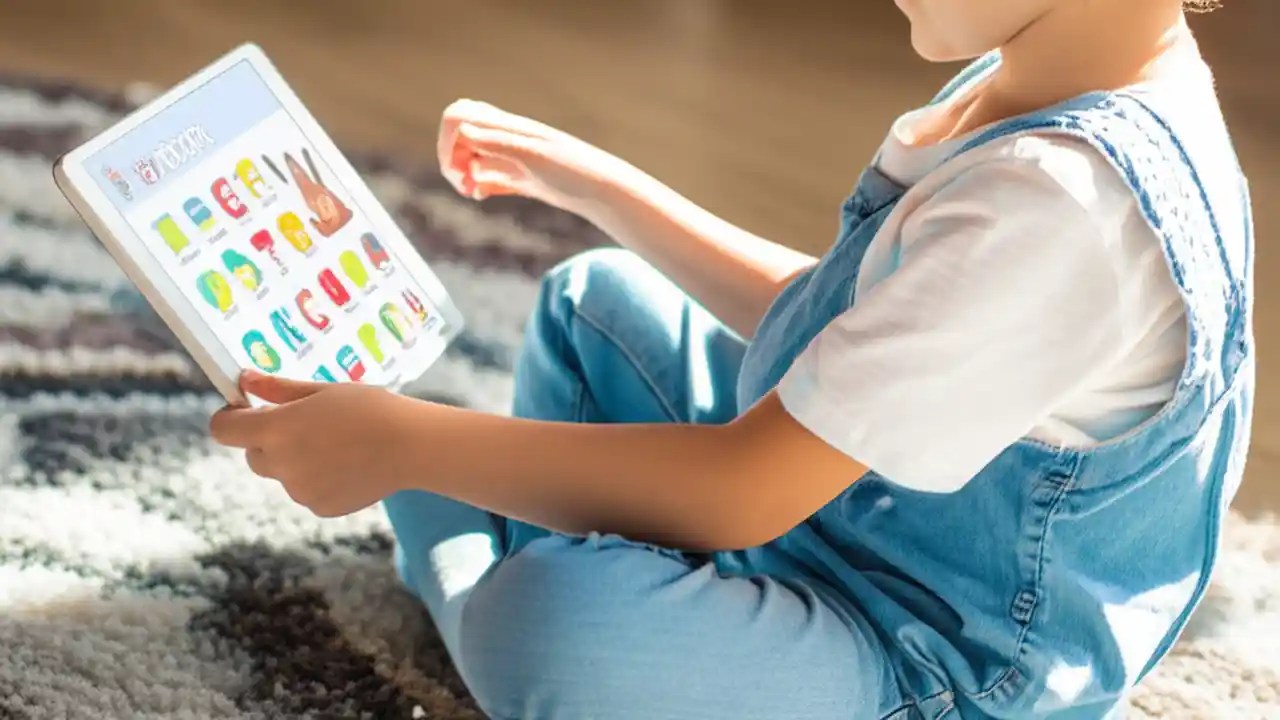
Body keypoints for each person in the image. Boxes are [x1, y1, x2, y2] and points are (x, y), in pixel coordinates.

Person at [209, 0, 1253, 716]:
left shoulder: (1058, 206)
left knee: (549, 622)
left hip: (927, 662)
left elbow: (739, 495)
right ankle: (561, 551)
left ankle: (463, 561)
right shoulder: (1051, 79)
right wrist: (599, 187)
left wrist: (408, 444)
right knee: (593, 303)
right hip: (860, 516)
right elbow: (844, 325)